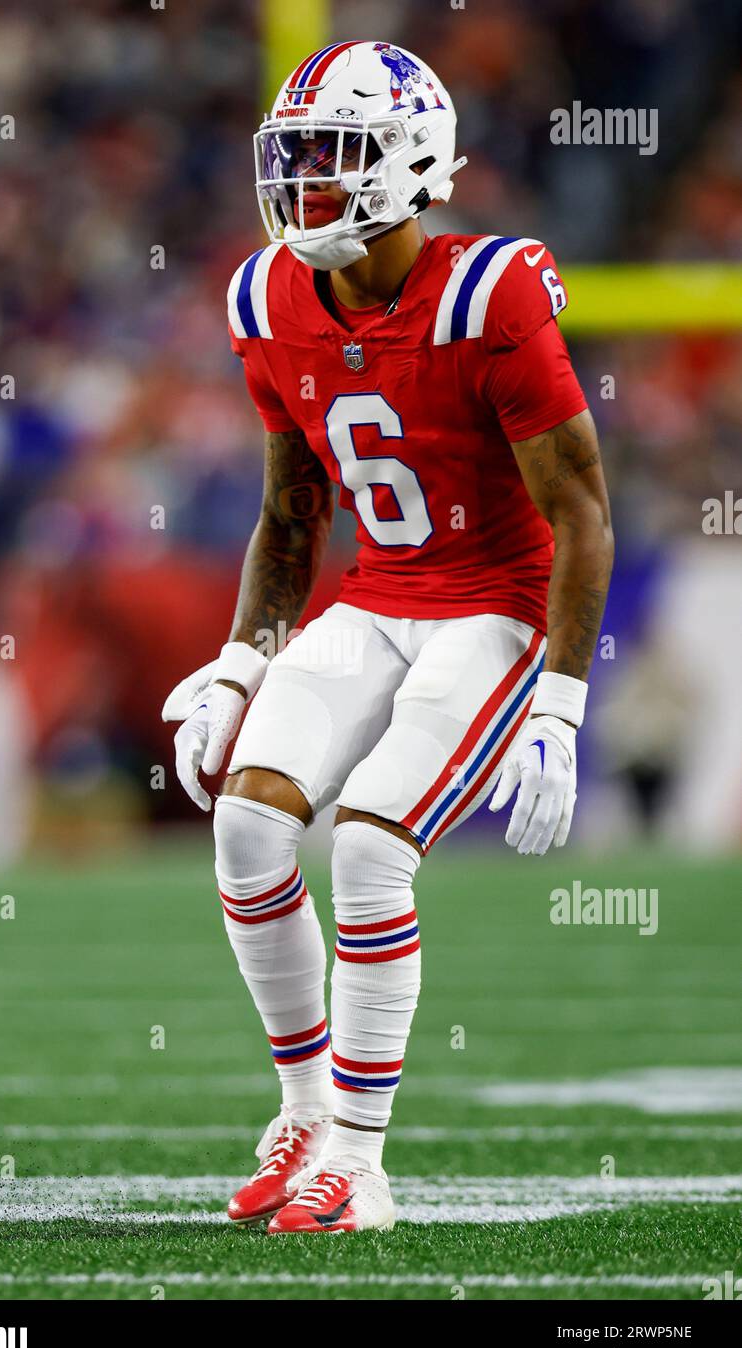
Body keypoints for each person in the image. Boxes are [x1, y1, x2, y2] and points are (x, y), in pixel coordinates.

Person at [163, 40, 613, 1233]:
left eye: (336, 156)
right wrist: (239, 660)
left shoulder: (489, 290)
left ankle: (359, 1163)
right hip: (380, 596)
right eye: (294, 156)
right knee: (249, 823)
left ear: (412, 162)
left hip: (491, 606)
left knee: (367, 850)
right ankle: (304, 1114)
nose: (308, 183)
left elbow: (579, 512)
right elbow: (291, 508)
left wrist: (559, 707)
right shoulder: (264, 295)